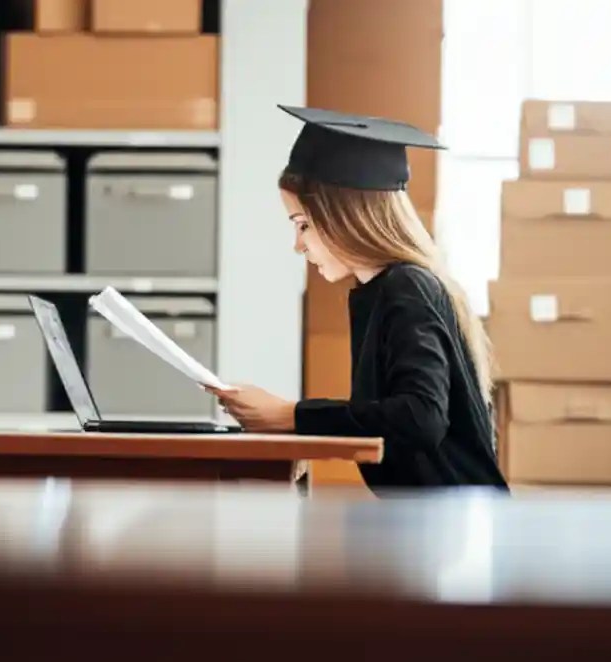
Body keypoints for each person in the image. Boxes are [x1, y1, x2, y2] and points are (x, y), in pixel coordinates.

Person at [208, 105, 508, 492]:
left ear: (347, 217)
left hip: (453, 530)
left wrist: (290, 415)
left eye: (304, 225)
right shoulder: (382, 290)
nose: (298, 245)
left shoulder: (407, 287)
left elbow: (420, 417)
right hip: (434, 523)